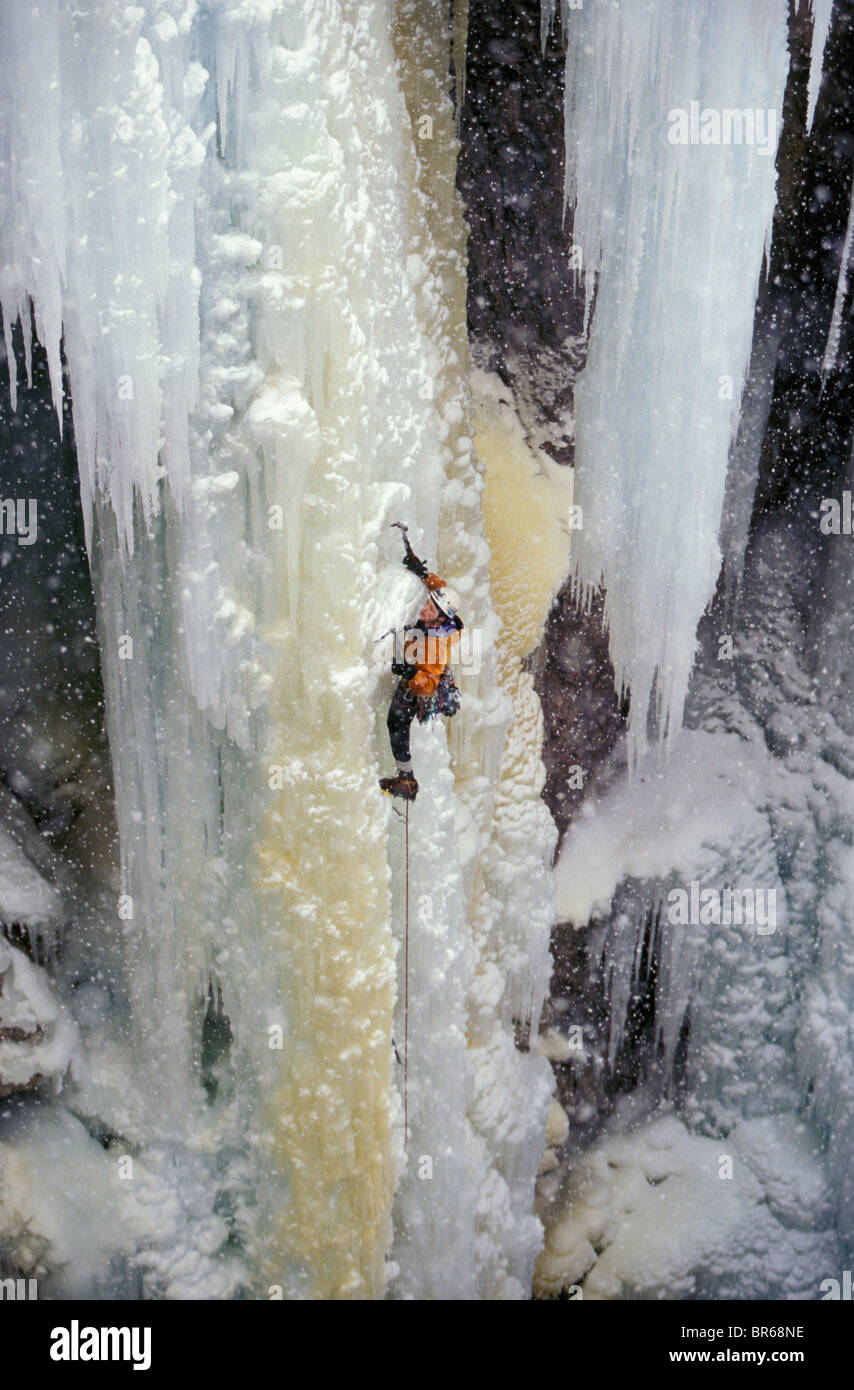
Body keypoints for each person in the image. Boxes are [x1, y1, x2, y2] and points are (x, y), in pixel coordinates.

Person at [379, 526, 462, 801]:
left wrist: (411, 670)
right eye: (428, 604)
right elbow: (439, 589)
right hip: (419, 667)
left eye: (430, 609)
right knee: (396, 721)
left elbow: (428, 685)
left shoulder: (435, 646)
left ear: (440, 619)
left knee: (397, 722)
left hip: (422, 680)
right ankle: (406, 778)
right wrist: (421, 571)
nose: (424, 608)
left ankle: (407, 779)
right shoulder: (441, 615)